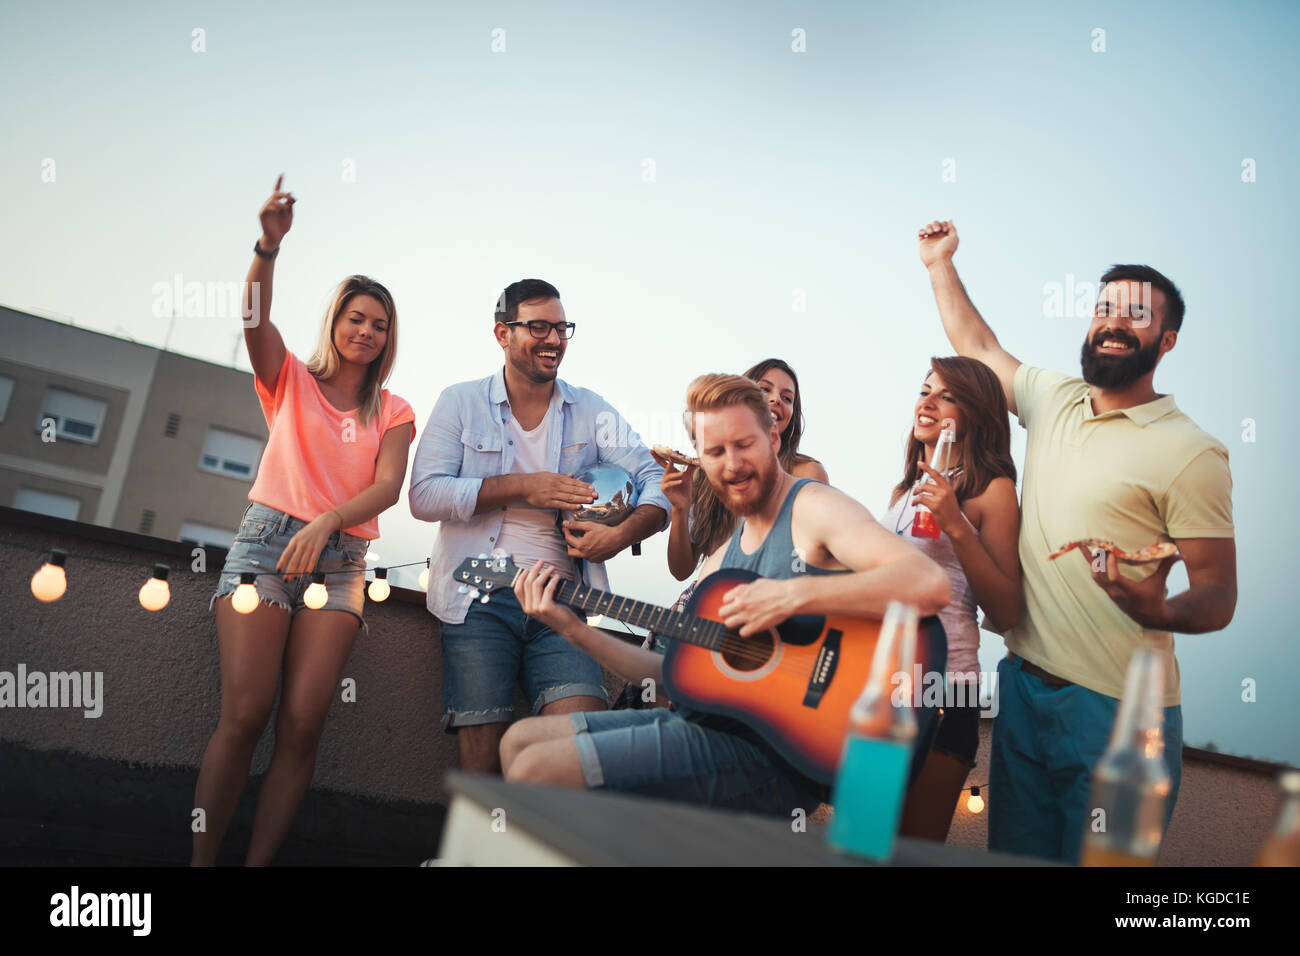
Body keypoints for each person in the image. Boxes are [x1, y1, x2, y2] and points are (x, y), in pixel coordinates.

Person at [917, 219, 1237, 863]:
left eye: (1137, 315)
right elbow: (977, 345)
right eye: (1104, 308)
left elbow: (1217, 595)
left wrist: (1159, 610)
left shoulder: (1192, 452)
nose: (1115, 322)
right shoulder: (1054, 399)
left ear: (1166, 341)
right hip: (1024, 691)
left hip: (1119, 716)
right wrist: (939, 264)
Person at [497, 373, 950, 816]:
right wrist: (574, 630)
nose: (731, 464)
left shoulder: (813, 507)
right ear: (699, 459)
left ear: (773, 437)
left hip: (779, 754)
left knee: (538, 768)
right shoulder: (720, 563)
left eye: (743, 444)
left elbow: (928, 583)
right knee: (518, 742)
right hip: (709, 729)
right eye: (715, 451)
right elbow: (669, 672)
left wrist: (795, 596)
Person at [193, 176, 416, 866]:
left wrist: (326, 525)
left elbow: (386, 490)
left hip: (342, 562)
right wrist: (268, 246)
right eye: (355, 318)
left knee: (302, 724)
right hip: (265, 547)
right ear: (335, 322)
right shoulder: (288, 378)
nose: (366, 331)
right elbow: (254, 321)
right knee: (245, 714)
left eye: (378, 324)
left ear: (388, 338)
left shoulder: (395, 410)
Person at [408, 279, 670, 774]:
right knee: (479, 760)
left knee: (581, 748)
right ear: (502, 333)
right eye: (539, 327)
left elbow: (653, 476)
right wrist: (522, 487)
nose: (554, 339)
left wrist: (623, 534)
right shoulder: (460, 401)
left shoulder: (591, 410)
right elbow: (423, 495)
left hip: (563, 601)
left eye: (561, 328)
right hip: (475, 597)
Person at [880, 357, 1021, 842]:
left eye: (948, 396)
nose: (928, 402)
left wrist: (957, 524)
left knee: (912, 847)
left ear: (977, 413)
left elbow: (1006, 609)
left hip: (945, 687)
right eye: (925, 390)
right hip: (882, 679)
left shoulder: (993, 489)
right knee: (864, 833)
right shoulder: (905, 489)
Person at [656, 358, 827, 584]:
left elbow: (811, 560)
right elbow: (681, 570)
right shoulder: (707, 473)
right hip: (709, 601)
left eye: (787, 398)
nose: (776, 399)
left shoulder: (807, 473)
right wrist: (680, 507)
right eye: (765, 389)